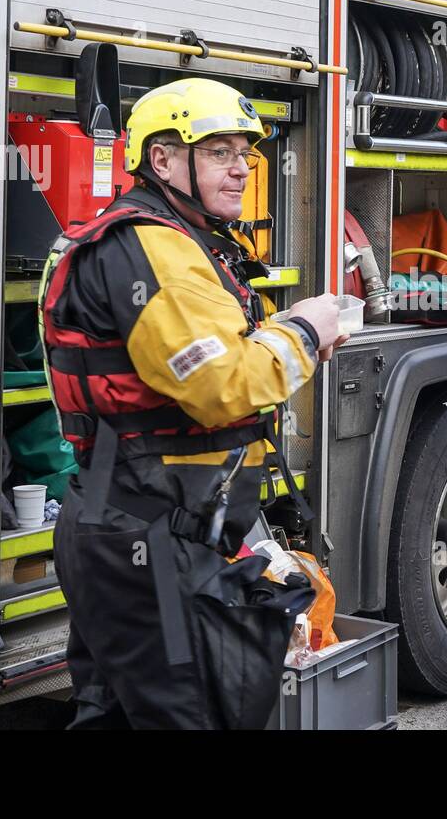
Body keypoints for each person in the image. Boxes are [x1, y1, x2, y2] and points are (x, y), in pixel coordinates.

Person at [40, 77, 345, 728]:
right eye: (219, 152)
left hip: (135, 530)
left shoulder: (170, 240)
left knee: (113, 715)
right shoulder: (151, 248)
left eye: (245, 153)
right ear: (162, 159)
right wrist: (307, 331)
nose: (241, 169)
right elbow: (219, 388)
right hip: (146, 542)